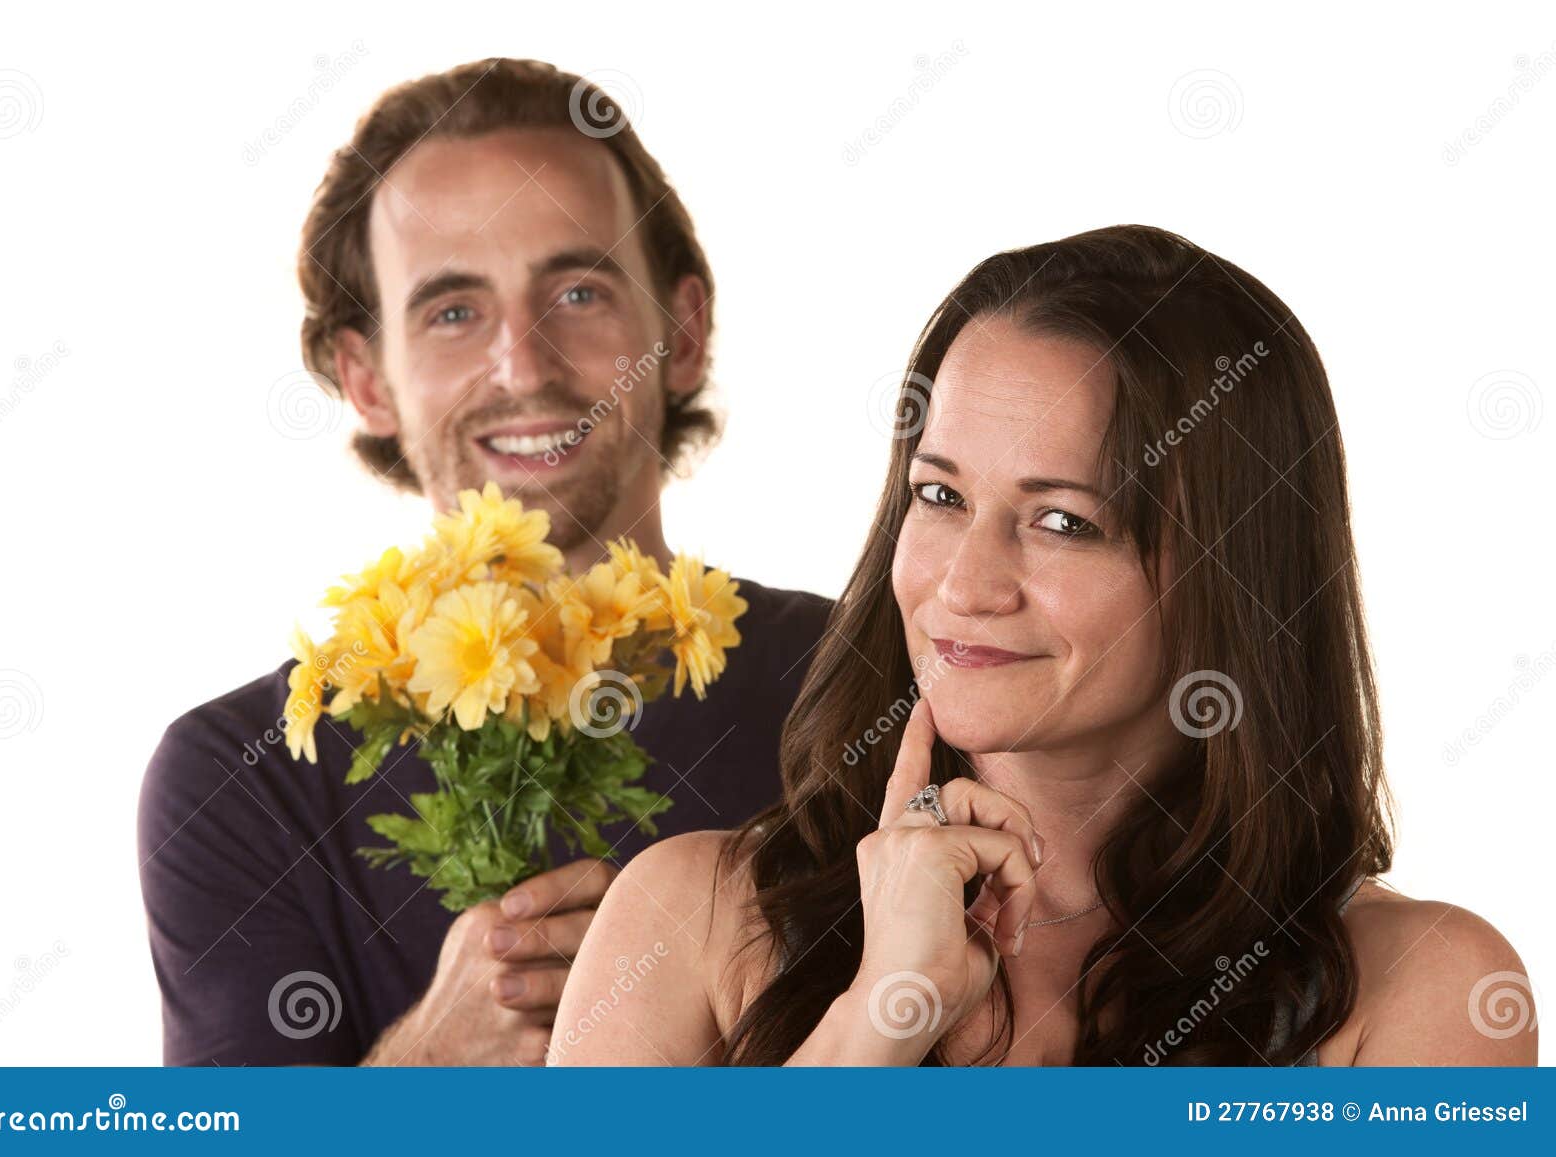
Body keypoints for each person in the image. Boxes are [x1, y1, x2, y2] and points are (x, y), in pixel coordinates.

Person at [551, 224, 1538, 1066]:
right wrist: (875, 1020)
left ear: (1233, 569)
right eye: (939, 496)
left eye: (1064, 520)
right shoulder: (682, 920)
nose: (964, 584)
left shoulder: (1427, 991)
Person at [137, 58, 830, 1066]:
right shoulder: (237, 780)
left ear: (681, 333)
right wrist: (424, 1065)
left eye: (580, 289)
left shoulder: (869, 680)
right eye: (453, 312)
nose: (525, 363)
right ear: (366, 378)